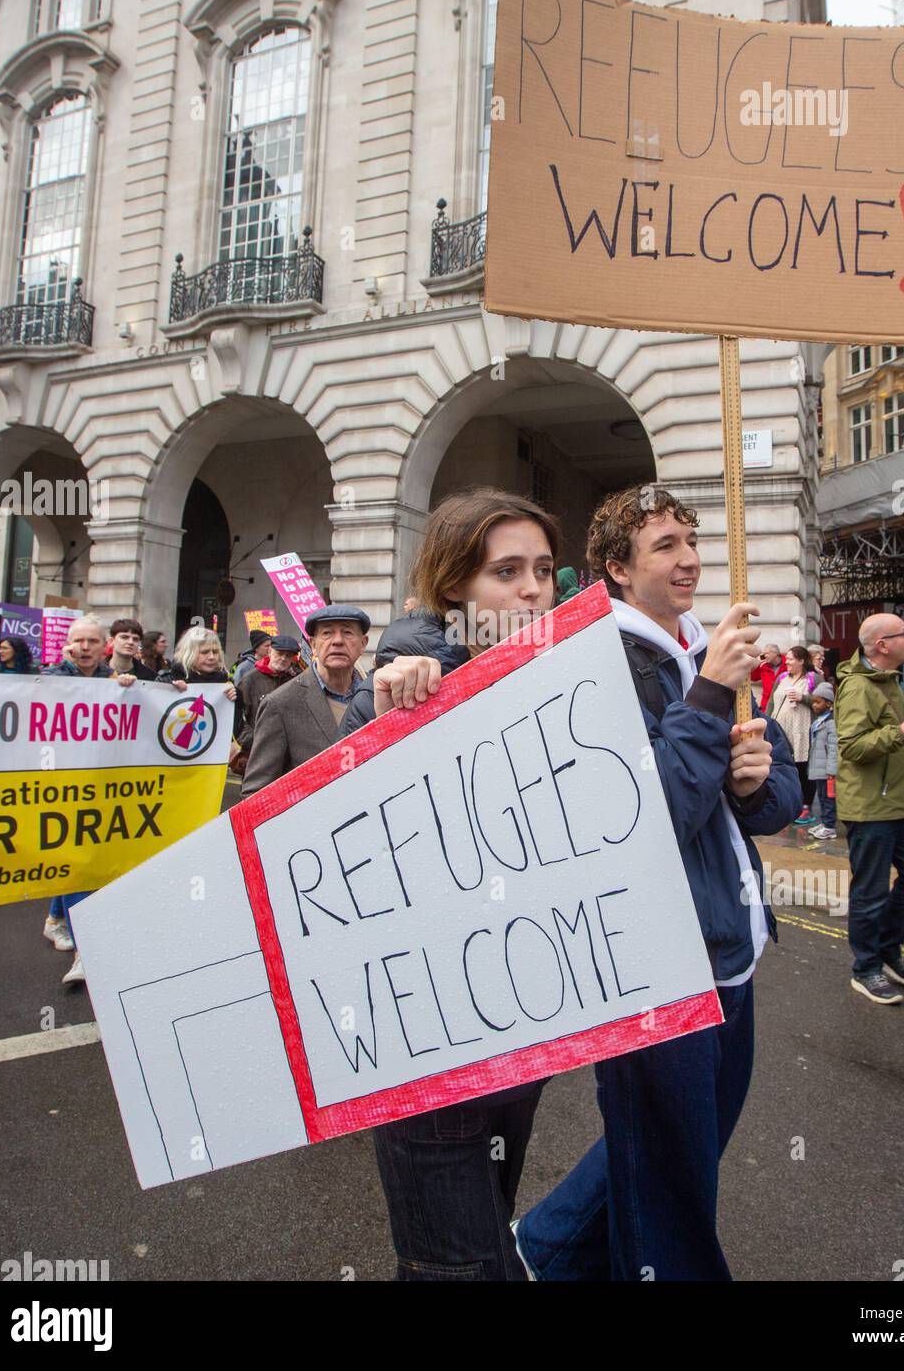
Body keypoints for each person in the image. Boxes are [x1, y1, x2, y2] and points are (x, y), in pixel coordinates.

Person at [511, 484, 801, 1282]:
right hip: (654, 965)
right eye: (664, 546)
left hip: (731, 953)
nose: (689, 559)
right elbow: (639, 821)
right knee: (674, 1187)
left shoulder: (712, 648)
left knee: (681, 1144)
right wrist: (707, 694)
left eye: (690, 541)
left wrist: (756, 782)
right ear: (616, 568)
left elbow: (780, 803)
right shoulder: (602, 666)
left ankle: (547, 1246)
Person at [338, 487, 561, 1281]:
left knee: (477, 1237)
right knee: (461, 1266)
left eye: (543, 568)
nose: (534, 588)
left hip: (520, 1025)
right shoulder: (401, 684)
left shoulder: (555, 681)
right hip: (429, 1043)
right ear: (454, 587)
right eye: (507, 571)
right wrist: (399, 695)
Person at [835, 613, 904, 1005]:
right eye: (903, 634)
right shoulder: (859, 688)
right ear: (882, 645)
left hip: (901, 804)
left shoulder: (890, 681)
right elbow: (853, 747)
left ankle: (889, 949)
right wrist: (902, 732)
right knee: (871, 892)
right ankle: (866, 968)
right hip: (871, 807)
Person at [42, 614, 141, 982]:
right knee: (78, 859)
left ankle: (55, 918)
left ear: (105, 648)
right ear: (68, 644)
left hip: (99, 784)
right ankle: (86, 948)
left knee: (82, 855)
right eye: (78, 641)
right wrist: (66, 663)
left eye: (92, 642)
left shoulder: (112, 680)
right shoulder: (53, 675)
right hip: (60, 784)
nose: (84, 648)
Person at [240, 607, 370, 797]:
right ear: (313, 645)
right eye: (327, 633)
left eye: (348, 632)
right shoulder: (280, 704)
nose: (337, 641)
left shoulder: (375, 698)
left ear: (363, 644)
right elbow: (256, 793)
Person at [235, 634, 303, 768]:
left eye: (288, 656)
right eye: (280, 653)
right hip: (259, 755)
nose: (283, 658)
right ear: (270, 651)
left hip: (290, 756)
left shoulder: (298, 680)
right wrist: (257, 742)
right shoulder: (250, 680)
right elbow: (239, 721)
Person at [767, 645, 817, 823]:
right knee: (781, 765)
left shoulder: (813, 678)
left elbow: (822, 702)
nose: (786, 662)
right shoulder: (781, 677)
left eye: (790, 659)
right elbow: (772, 702)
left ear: (802, 661)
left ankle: (805, 806)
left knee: (802, 768)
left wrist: (803, 698)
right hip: (781, 728)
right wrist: (767, 721)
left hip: (801, 730)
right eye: (786, 658)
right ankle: (786, 803)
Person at [807, 682, 839, 840]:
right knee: (821, 797)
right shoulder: (818, 721)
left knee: (828, 798)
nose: (814, 705)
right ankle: (824, 822)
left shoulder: (831, 723)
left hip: (827, 770)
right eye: (813, 701)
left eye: (818, 702)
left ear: (828, 703)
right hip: (818, 767)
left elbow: (834, 748)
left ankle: (829, 826)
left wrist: (832, 770)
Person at [750, 643, 783, 707]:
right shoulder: (763, 666)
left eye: (767, 653)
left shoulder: (787, 665)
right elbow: (753, 678)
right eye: (764, 654)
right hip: (766, 704)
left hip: (781, 703)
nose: (764, 656)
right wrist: (757, 664)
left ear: (775, 653)